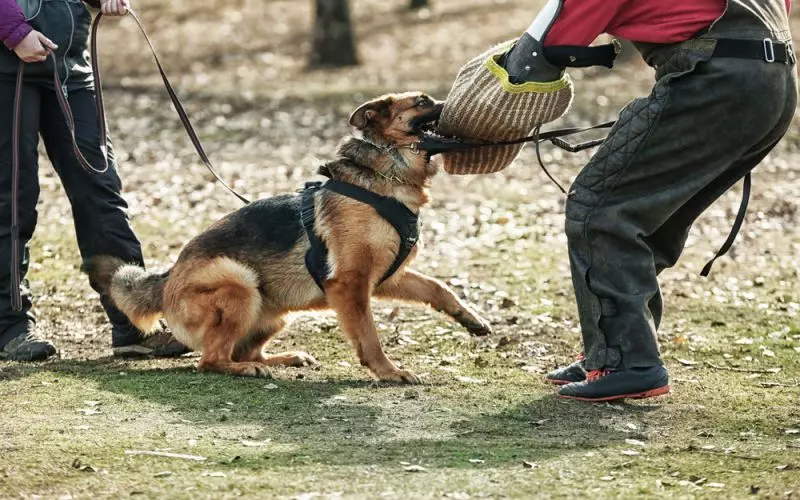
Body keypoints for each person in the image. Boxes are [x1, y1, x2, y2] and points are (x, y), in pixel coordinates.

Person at [495, 0, 795, 401]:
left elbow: (552, 43)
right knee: (648, 220)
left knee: (599, 209)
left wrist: (490, 99)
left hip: (713, 77)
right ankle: (613, 351)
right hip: (773, 82)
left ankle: (629, 363)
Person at [0, 0, 188, 360]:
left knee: (101, 192)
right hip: (8, 68)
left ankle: (134, 322)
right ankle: (9, 325)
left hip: (70, 64)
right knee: (12, 198)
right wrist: (13, 31)